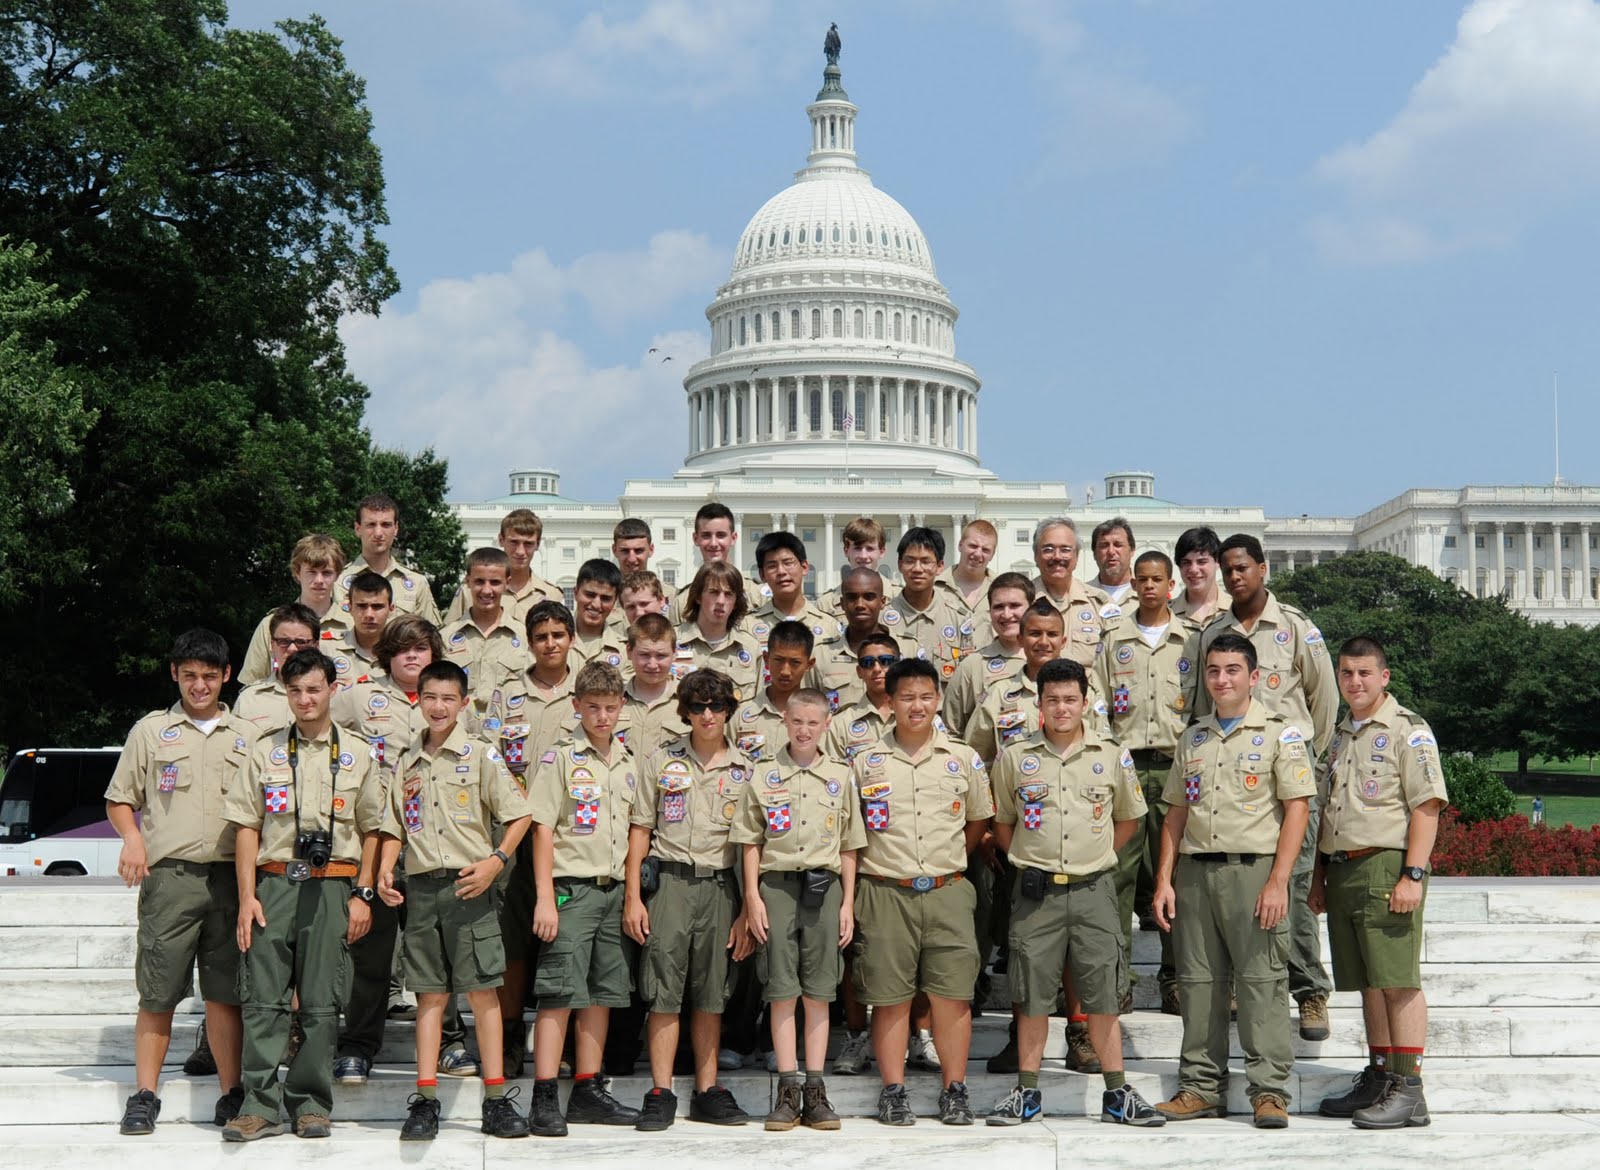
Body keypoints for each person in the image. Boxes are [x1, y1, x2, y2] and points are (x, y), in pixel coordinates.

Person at [985, 658, 1165, 1128]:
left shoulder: (1112, 755)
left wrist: (1093, 854)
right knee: (1031, 995)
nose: (1061, 708)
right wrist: (1031, 856)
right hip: (1036, 894)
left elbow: (1127, 820)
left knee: (1104, 993)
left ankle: (1116, 1093)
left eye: (1070, 699)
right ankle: (1026, 1092)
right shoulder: (1014, 759)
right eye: (1052, 700)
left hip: (1094, 890)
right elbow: (1004, 825)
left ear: (1086, 702)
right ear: (1038, 705)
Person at [1150, 633, 1315, 1129]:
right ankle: (1200, 1087)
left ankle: (1269, 1091)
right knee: (1198, 984)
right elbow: (1175, 814)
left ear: (1253, 676)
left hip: (1255, 872)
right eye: (1214, 671)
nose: (1222, 679)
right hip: (1196, 875)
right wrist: (1164, 881)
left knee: (1263, 982)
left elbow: (1297, 810)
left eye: (1232, 670)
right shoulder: (1193, 736)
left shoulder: (1280, 734)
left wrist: (1278, 882)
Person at [221, 649, 385, 1141]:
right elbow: (247, 826)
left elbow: (373, 828)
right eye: (295, 691)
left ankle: (311, 1104)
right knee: (264, 999)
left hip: (334, 884)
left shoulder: (357, 752)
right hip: (274, 883)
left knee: (319, 1000)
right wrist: (248, 897)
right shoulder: (265, 750)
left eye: (313, 689)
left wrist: (364, 893)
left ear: (332, 690)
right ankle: (259, 1105)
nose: (304, 699)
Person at [106, 628, 254, 1135]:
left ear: (226, 676)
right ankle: (144, 1094)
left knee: (224, 992)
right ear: (175, 674)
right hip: (170, 878)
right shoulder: (150, 732)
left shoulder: (247, 736)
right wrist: (132, 839)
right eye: (189, 676)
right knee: (158, 989)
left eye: (209, 677)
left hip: (231, 879)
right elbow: (120, 798)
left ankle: (231, 1093)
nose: (198, 686)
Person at [377, 661, 532, 1142]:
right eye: (430, 697)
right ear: (417, 700)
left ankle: (494, 1098)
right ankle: (425, 1099)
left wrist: (495, 861)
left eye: (449, 698)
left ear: (464, 703)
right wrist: (385, 867)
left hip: (471, 887)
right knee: (430, 996)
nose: (439, 706)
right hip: (423, 891)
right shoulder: (407, 762)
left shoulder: (482, 754)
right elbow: (393, 825)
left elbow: (520, 814)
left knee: (483, 992)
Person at [1193, 534, 1338, 1041]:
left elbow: (1324, 700)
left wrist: (1298, 757)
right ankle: (1235, 983)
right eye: (1226, 570)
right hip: (1231, 779)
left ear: (1262, 569)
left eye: (1242, 568)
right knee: (1236, 885)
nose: (1234, 577)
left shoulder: (1296, 627)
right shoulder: (1212, 631)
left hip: (1287, 777)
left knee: (1294, 886)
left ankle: (1310, 991)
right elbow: (1202, 701)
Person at [1310, 636, 1448, 1129]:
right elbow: (1330, 810)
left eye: (1365, 673)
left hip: (1387, 866)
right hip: (1345, 867)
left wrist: (1414, 873)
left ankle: (1409, 1088)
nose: (1355, 682)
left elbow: (1427, 806)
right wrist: (1320, 875)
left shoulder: (1408, 731)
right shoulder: (1342, 733)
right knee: (1369, 983)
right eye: (1347, 673)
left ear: (1384, 677)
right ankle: (1380, 1074)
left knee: (1396, 981)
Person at [851, 658, 994, 1127]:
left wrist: (946, 864)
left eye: (926, 697)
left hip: (948, 889)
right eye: (907, 697)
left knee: (952, 997)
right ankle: (893, 1091)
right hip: (884, 890)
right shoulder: (864, 762)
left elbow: (977, 821)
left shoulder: (962, 758)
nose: (917, 706)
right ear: (888, 702)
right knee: (890, 997)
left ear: (938, 699)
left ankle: (955, 1089)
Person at [332, 616, 474, 1085]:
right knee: (372, 950)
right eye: (402, 649)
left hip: (437, 844)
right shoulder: (358, 698)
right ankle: (357, 1045)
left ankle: (451, 1042)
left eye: (421, 648)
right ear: (387, 655)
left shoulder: (449, 700)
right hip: (377, 839)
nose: (412, 656)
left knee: (441, 953)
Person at [625, 669, 757, 1130]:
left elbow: (749, 846)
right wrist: (632, 899)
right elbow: (640, 829)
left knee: (711, 989)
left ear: (728, 712)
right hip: (670, 883)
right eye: (698, 706)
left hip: (721, 886)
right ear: (684, 710)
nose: (707, 715)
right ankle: (661, 1090)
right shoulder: (662, 760)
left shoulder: (745, 769)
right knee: (663, 986)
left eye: (716, 706)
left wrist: (746, 907)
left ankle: (707, 1088)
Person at [734, 689, 864, 1131]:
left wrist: (847, 902)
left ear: (826, 725)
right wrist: (752, 896)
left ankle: (815, 1088)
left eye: (813, 722)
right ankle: (787, 1090)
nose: (804, 730)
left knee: (820, 990)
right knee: (781, 988)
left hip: (825, 890)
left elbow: (849, 845)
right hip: (777, 887)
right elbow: (750, 841)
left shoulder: (841, 776)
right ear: (784, 723)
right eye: (797, 722)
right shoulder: (764, 774)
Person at [526, 661, 642, 1135]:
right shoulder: (560, 759)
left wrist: (632, 894)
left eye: (611, 708)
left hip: (613, 891)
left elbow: (637, 829)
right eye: (592, 707)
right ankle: (545, 1094)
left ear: (621, 709)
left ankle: (589, 1090)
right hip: (571, 890)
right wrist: (545, 897)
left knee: (601, 994)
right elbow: (543, 828)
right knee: (560, 994)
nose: (602, 717)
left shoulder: (629, 761)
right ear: (576, 706)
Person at [1099, 551, 1192, 1014]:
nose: (1150, 586)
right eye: (1143, 579)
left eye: (1158, 579)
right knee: (1118, 874)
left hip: (1177, 765)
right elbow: (1098, 707)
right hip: (1127, 765)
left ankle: (1174, 976)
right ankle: (1119, 977)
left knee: (1172, 873)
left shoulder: (1190, 641)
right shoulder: (1113, 639)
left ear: (1171, 585)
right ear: (1132, 584)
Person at [238, 534, 350, 685]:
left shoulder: (353, 623)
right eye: (311, 572)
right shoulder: (271, 624)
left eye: (326, 573)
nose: (319, 580)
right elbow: (252, 683)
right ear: (297, 573)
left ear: (337, 574)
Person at [807, 567, 918, 714]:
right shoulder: (821, 654)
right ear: (842, 603)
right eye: (852, 597)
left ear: (883, 601)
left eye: (869, 597)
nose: (860, 604)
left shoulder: (909, 648)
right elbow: (807, 710)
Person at [940, 573, 1034, 738]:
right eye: (998, 607)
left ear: (1032, 608)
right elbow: (952, 732)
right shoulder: (973, 666)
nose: (1006, 614)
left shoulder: (1054, 659)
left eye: (1014, 605)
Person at [441, 547, 531, 716]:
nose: (486, 590)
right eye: (479, 581)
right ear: (468, 581)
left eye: (495, 582)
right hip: (458, 732)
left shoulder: (524, 637)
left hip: (506, 733)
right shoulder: (445, 638)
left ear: (507, 583)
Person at [444, 508, 563, 626]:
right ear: (501, 540)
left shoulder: (551, 594)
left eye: (528, 544)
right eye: (514, 542)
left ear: (537, 544)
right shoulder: (470, 592)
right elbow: (448, 636)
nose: (520, 551)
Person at [334, 493, 440, 623]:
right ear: (357, 528)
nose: (378, 533)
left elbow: (431, 637)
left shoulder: (417, 584)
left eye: (385, 525)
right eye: (371, 525)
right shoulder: (336, 582)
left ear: (396, 529)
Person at [883, 526, 972, 681]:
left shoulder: (959, 619)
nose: (917, 569)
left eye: (925, 561)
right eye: (910, 561)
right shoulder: (882, 619)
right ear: (900, 565)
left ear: (939, 566)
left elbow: (967, 679)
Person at [673, 561, 761, 701]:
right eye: (713, 592)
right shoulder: (671, 641)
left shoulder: (751, 647)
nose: (721, 601)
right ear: (698, 596)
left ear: (736, 601)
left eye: (728, 594)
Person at [667, 503, 769, 622]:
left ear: (733, 538)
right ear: (696, 539)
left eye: (721, 535)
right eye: (706, 536)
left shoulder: (756, 595)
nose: (714, 543)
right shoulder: (682, 602)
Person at [747, 531, 843, 656]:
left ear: (804, 567)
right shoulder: (747, 626)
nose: (781, 571)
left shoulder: (829, 626)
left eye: (788, 563)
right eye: (772, 566)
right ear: (762, 575)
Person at [1029, 518, 1109, 668]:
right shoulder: (1021, 602)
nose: (1057, 556)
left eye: (1065, 550)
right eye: (1048, 549)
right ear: (1035, 556)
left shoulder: (1100, 603)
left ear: (1076, 556)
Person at [732, 620, 815, 763]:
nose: (785, 671)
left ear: (809, 665)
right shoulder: (739, 716)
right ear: (766, 658)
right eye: (778, 660)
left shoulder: (819, 719)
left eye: (795, 663)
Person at [235, 604, 320, 734]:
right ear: (272, 646)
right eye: (284, 642)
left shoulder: (335, 697)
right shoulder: (249, 699)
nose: (292, 649)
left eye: (301, 642)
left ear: (316, 646)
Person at [616, 612, 689, 762]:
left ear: (674, 653)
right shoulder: (612, 701)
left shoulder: (690, 702)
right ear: (629, 651)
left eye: (661, 656)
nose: (652, 664)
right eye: (644, 655)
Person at [934, 519, 998, 645]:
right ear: (960, 545)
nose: (978, 554)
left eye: (985, 550)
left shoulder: (1001, 591)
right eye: (973, 546)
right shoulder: (934, 589)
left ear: (992, 554)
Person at [328, 571, 395, 691]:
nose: (369, 614)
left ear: (391, 609)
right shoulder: (327, 649)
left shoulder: (404, 653)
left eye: (377, 606)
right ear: (350, 608)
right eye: (362, 606)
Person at [818, 516, 890, 617]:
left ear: (881, 552)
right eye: (857, 548)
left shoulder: (899, 598)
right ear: (846, 551)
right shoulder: (825, 604)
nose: (863, 556)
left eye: (870, 549)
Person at [573, 558, 628, 667]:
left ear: (615, 601)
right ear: (576, 593)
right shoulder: (552, 641)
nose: (596, 604)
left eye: (605, 598)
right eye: (590, 595)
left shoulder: (625, 651)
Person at [1171, 527, 1224, 629]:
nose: (1194, 569)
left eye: (1202, 562)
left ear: (1218, 562)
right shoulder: (1165, 613)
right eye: (1186, 562)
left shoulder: (1237, 610)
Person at [1087, 518, 1136, 607]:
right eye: (1104, 546)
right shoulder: (1081, 595)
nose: (1111, 551)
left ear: (1132, 550)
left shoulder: (1148, 594)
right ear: (1094, 554)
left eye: (1118, 545)